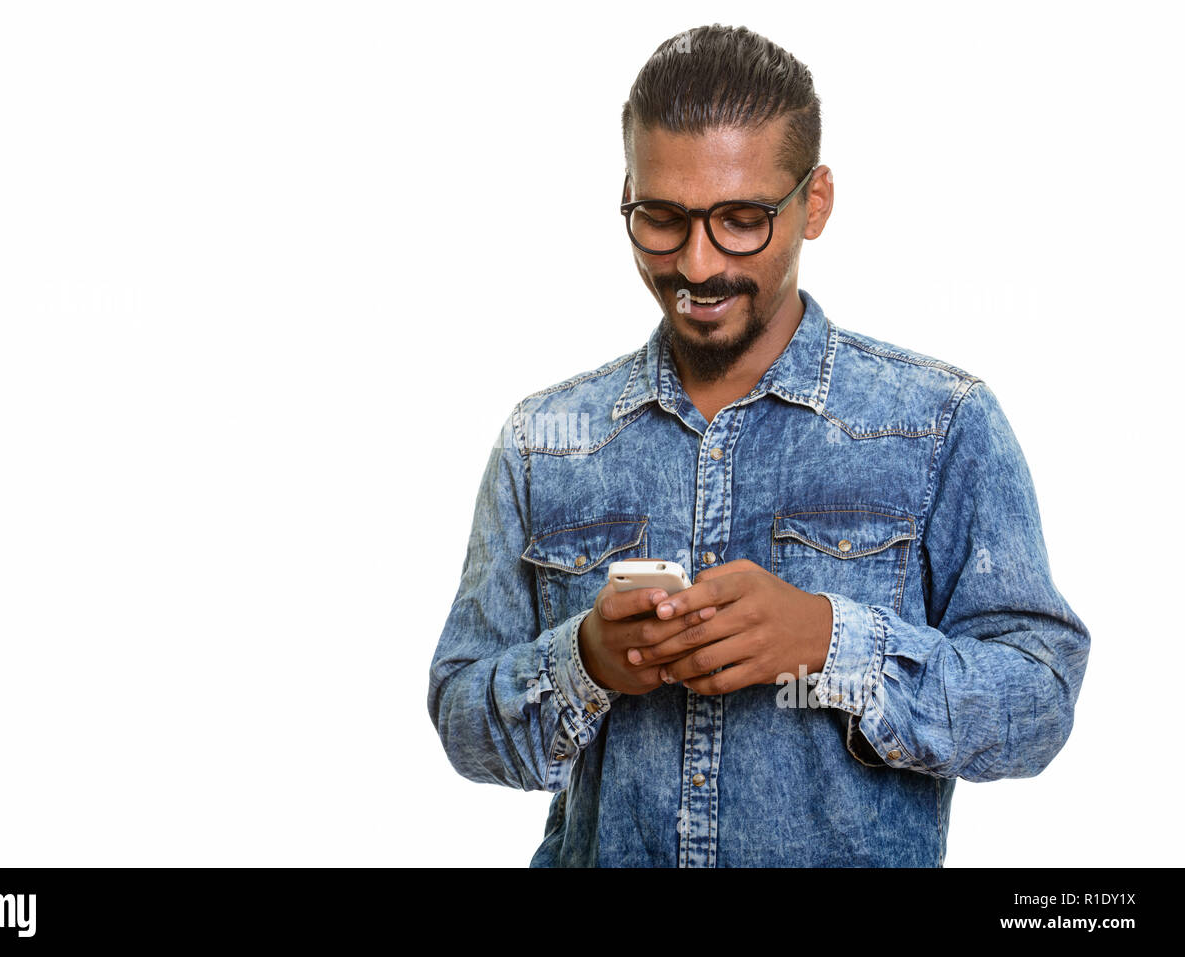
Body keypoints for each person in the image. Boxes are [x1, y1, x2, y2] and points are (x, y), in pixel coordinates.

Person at [427, 23, 1090, 867]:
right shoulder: (544, 442)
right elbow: (459, 714)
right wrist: (585, 659)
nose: (697, 264)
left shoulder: (941, 423)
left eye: (740, 220)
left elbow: (1040, 699)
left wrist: (828, 641)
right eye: (661, 218)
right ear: (625, 194)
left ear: (814, 202)